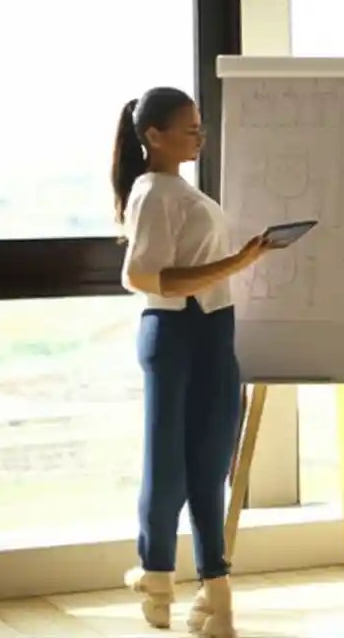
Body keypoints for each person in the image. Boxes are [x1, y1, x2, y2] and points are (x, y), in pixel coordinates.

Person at [113, 87, 274, 637]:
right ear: (154, 136)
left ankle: (216, 589)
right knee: (170, 465)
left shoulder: (181, 190)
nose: (199, 136)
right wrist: (239, 261)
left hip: (211, 330)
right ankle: (158, 572)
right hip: (177, 330)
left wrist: (238, 262)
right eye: (189, 128)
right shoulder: (154, 192)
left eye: (199, 126)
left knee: (209, 467)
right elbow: (143, 277)